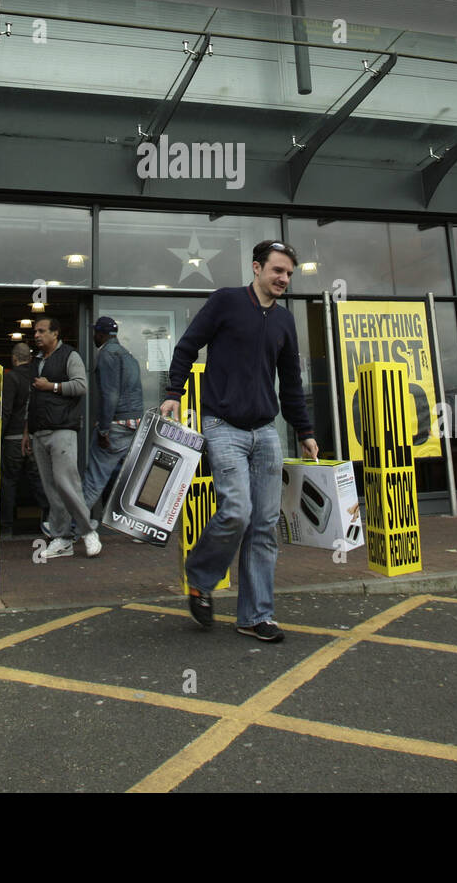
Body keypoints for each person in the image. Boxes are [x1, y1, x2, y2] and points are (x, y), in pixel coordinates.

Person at [161, 240, 317, 642]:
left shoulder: (284, 322)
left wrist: (305, 431)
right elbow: (187, 346)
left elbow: (292, 383)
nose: (283, 279)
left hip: (266, 431)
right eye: (277, 270)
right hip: (222, 424)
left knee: (264, 526)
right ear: (256, 268)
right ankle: (201, 577)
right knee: (236, 511)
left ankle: (255, 616)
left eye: (289, 274)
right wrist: (174, 392)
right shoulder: (226, 301)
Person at [26, 316, 99, 560]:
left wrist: (52, 386)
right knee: (52, 487)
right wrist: (27, 431)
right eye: (35, 331)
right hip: (39, 431)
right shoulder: (36, 361)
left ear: (55, 333)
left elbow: (81, 386)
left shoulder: (70, 356)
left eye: (42, 331)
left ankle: (88, 531)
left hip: (62, 428)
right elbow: (31, 398)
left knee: (66, 483)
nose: (37, 335)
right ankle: (62, 538)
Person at [80, 316, 144, 516]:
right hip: (134, 423)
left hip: (116, 424)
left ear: (101, 334)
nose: (93, 336)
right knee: (127, 481)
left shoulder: (107, 354)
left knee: (94, 479)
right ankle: (131, 526)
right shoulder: (127, 355)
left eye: (95, 332)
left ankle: (72, 527)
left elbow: (110, 394)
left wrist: (104, 429)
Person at [1, 341, 48, 534]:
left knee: (8, 482)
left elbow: (5, 410)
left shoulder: (10, 378)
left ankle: (6, 526)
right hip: (35, 436)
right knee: (39, 481)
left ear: (14, 358)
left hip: (13, 437)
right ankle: (49, 521)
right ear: (30, 358)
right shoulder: (38, 377)